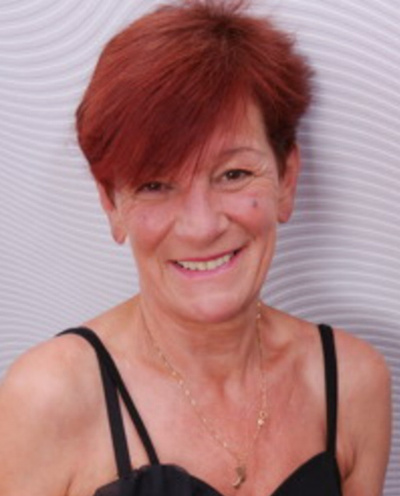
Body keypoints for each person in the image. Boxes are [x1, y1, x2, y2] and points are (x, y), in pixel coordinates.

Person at [0, 1, 391, 495]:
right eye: (155, 185)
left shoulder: (354, 382)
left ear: (287, 179)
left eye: (234, 174)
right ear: (111, 204)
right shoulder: (49, 396)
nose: (201, 226)